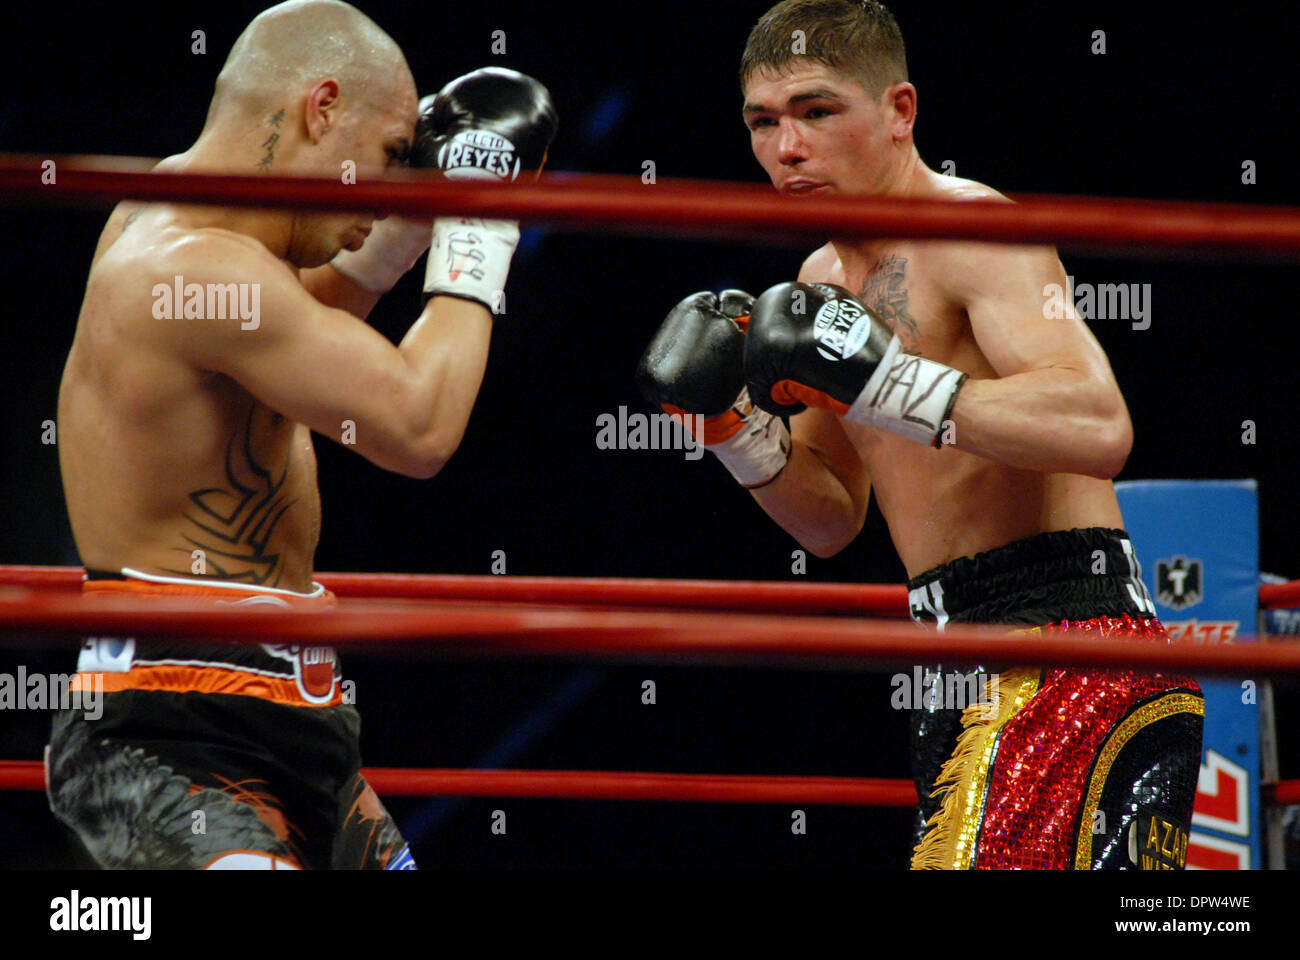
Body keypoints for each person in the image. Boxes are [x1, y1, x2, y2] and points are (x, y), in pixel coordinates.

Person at [637, 0, 1201, 869]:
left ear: (899, 111)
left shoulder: (976, 230)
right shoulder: (819, 276)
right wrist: (729, 427)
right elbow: (830, 518)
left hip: (1069, 649)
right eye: (763, 122)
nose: (787, 149)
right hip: (951, 660)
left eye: (818, 112)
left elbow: (1098, 424)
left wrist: (889, 382)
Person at [46, 0, 557, 869]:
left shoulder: (185, 225)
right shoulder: (184, 264)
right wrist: (479, 219)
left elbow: (295, 324)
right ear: (322, 107)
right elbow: (418, 426)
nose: (401, 181)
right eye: (396, 155)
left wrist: (413, 219)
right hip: (171, 733)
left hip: (296, 718)